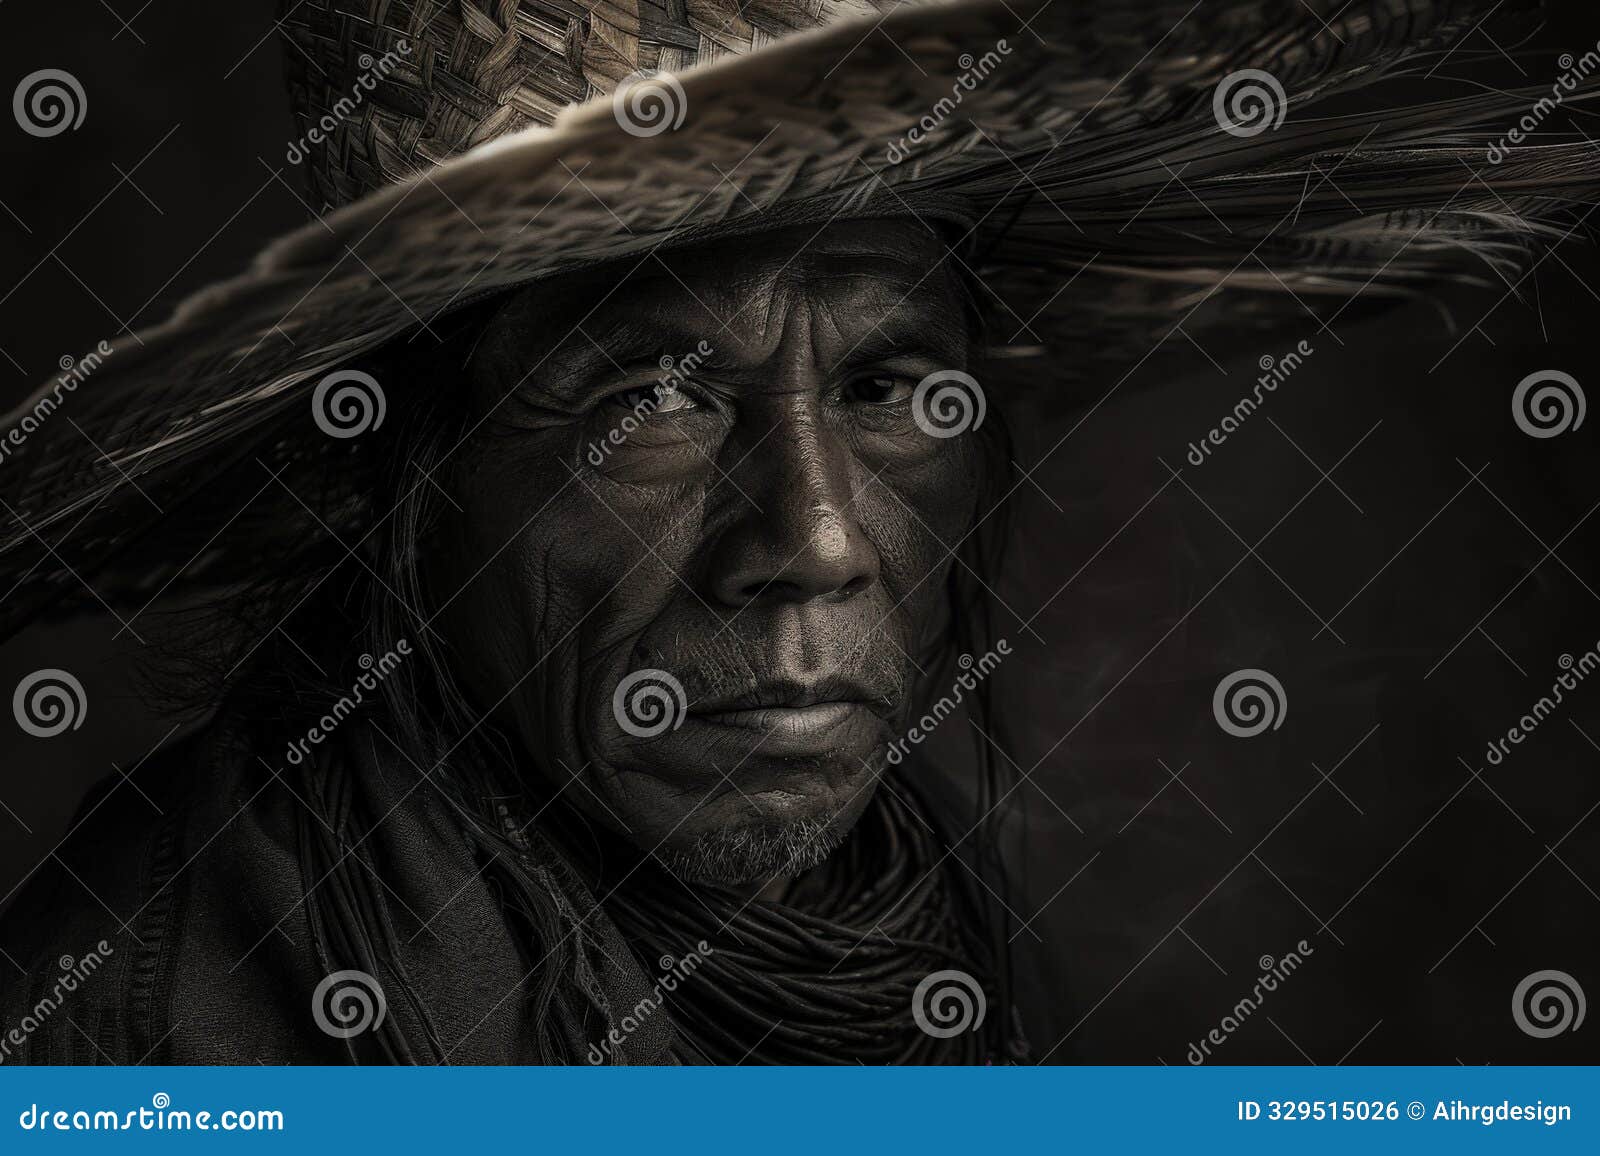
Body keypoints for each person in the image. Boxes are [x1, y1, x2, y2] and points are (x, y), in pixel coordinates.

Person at [0, 0, 1593, 1063]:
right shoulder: (149, 1022)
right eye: (653, 405)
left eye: (896, 384)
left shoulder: (900, 918)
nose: (819, 540)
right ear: (412, 485)